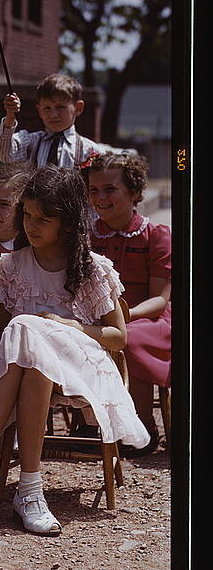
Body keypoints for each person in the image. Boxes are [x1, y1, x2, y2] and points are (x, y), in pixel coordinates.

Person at [0, 166, 150, 536]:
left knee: (27, 326)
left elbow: (117, 337)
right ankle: (29, 491)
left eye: (44, 219)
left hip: (83, 368)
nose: (31, 225)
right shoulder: (11, 266)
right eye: (26, 215)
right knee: (29, 350)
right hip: (25, 371)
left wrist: (68, 325)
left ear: (67, 222)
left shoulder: (91, 269)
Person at [84, 150, 171, 455]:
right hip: (98, 314)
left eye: (110, 190)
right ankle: (91, 422)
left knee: (127, 341)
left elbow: (160, 300)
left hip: (147, 317)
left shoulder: (155, 235)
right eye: (93, 190)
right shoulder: (87, 235)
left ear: (133, 193)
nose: (100, 197)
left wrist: (125, 315)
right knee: (75, 335)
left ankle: (143, 425)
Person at [0, 72, 110, 169]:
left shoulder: (90, 151)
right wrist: (10, 115)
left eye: (60, 107)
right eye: (47, 108)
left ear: (78, 108)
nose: (53, 114)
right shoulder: (31, 143)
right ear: (39, 110)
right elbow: (5, 155)